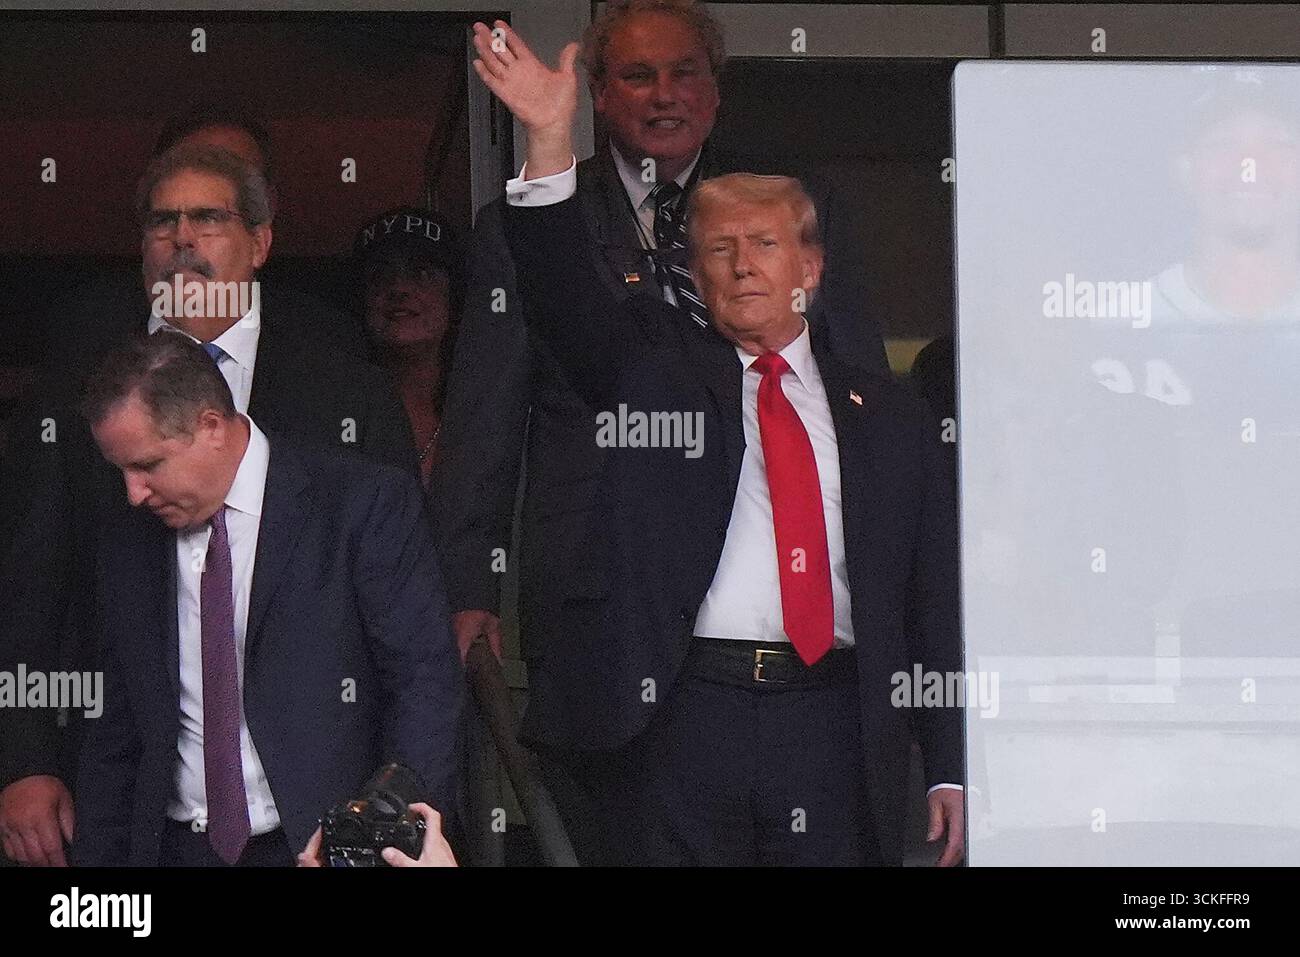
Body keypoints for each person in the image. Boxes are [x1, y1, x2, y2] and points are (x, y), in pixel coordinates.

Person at [481, 23, 964, 865]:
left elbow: (932, 596)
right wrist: (551, 141)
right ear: (697, 278)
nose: (743, 267)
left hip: (833, 720)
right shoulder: (655, 374)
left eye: (765, 245)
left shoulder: (886, 413)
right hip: (684, 715)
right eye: (720, 251)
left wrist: (948, 766)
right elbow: (566, 306)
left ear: (810, 266)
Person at [0, 142, 415, 866]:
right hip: (131, 797)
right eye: (162, 222)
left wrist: (393, 798)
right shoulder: (77, 388)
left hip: (317, 807)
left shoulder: (346, 387)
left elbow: (404, 621)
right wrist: (24, 756)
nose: (182, 238)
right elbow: (35, 578)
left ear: (261, 241)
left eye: (208, 218)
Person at [72, 332, 460, 866]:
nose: (133, 493)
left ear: (210, 426)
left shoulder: (358, 506)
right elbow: (119, 724)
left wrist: (382, 834)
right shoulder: (131, 538)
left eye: (149, 466)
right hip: (173, 850)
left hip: (320, 846)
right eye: (122, 471)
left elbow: (424, 684)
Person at [355, 207, 465, 491]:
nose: (399, 288)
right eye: (382, 274)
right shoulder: (335, 413)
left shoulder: (487, 408)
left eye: (422, 273)